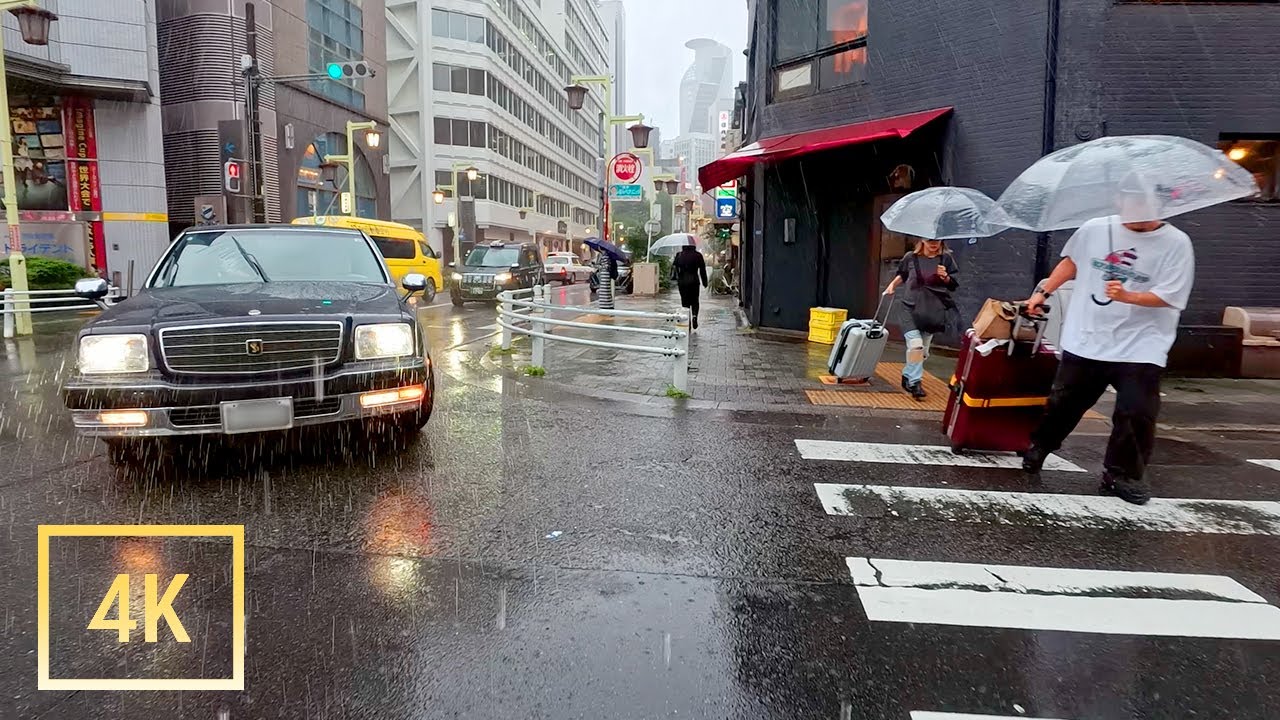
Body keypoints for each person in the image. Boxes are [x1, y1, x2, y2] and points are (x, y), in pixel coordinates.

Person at [1020, 196, 1195, 505]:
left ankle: (1121, 473)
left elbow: (1171, 296)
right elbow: (1072, 262)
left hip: (1142, 344)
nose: (1135, 217)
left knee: (1137, 411)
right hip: (1087, 337)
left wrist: (1128, 296)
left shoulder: (1177, 243)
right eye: (1129, 208)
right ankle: (1040, 445)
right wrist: (1042, 292)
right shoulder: (1094, 229)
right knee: (1064, 403)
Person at [882, 238, 959, 400]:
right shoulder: (911, 257)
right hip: (909, 308)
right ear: (922, 241)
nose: (934, 244)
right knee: (916, 346)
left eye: (937, 241)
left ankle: (907, 375)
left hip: (932, 310)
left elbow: (952, 286)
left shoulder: (945, 259)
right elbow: (902, 275)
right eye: (930, 240)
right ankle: (915, 382)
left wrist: (945, 277)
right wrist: (891, 286)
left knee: (922, 352)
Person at [672, 244, 708, 329]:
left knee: (685, 302)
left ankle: (687, 321)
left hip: (683, 282)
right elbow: (702, 269)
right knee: (695, 301)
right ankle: (694, 316)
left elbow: (675, 267)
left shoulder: (679, 255)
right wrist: (705, 282)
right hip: (694, 281)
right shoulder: (698, 255)